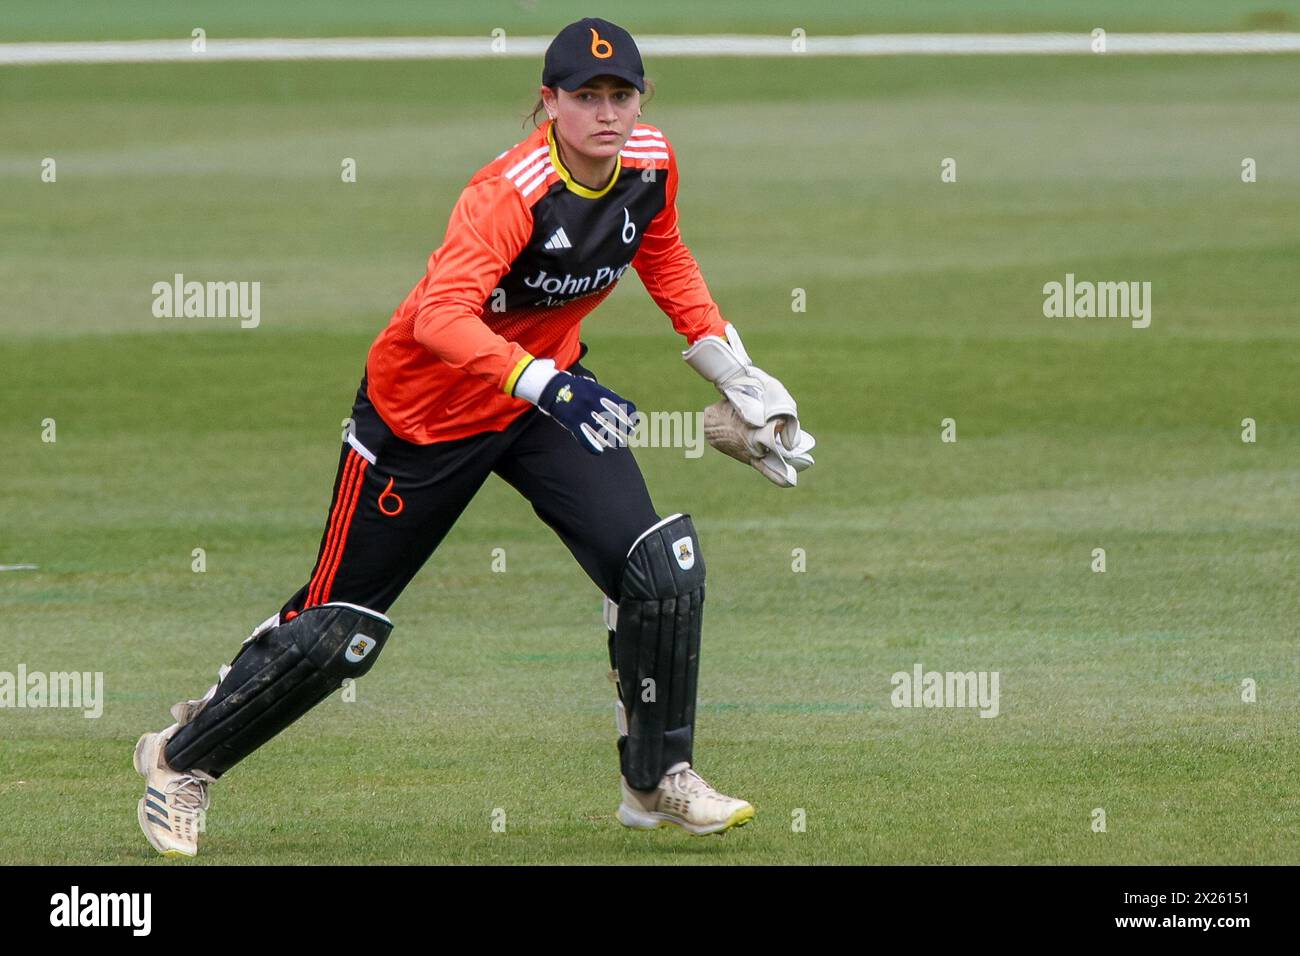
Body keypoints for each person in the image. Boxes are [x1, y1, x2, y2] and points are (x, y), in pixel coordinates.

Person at [133, 16, 812, 858]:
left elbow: (663, 254)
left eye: (622, 95)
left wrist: (735, 373)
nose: (607, 112)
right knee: (336, 630)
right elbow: (439, 317)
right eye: (587, 96)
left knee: (656, 567)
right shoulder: (509, 193)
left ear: (642, 99)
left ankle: (657, 781)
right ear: (550, 102)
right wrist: (546, 381)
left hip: (540, 403)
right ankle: (181, 761)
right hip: (423, 420)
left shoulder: (650, 162)